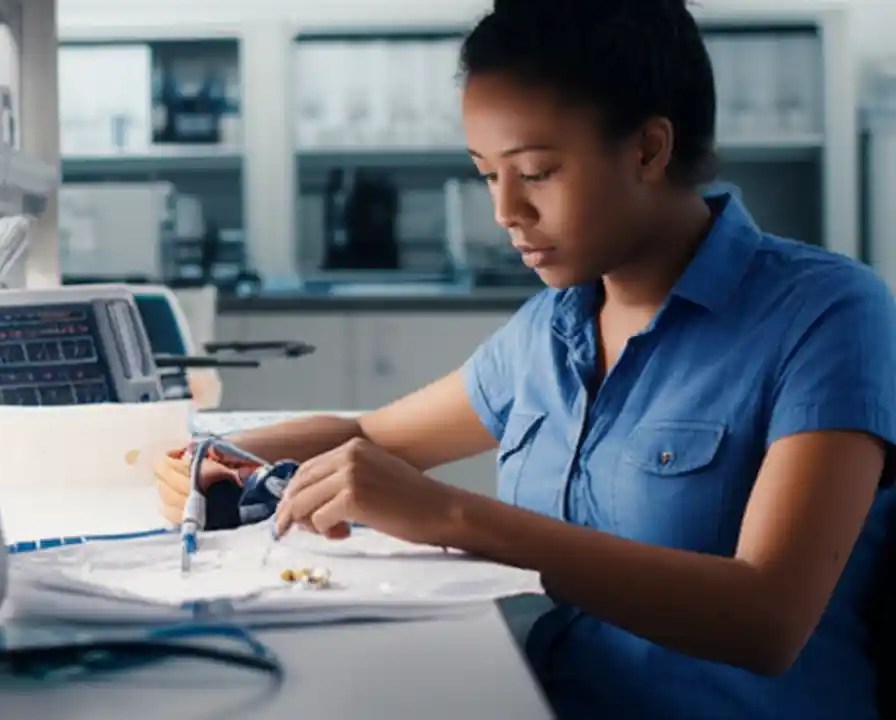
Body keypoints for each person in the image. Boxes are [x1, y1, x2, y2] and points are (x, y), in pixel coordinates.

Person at [155, 0, 896, 717]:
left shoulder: (827, 312)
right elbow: (374, 440)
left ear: (648, 148)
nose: (505, 211)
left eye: (536, 172)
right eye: (487, 174)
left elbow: (766, 620)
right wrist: (216, 454)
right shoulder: (551, 328)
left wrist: (447, 514)